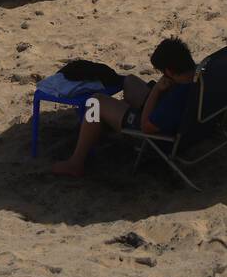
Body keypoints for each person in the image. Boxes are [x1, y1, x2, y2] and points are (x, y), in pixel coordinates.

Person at [51, 37, 196, 178]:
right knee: (130, 81)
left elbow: (146, 126)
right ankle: (106, 124)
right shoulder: (198, 77)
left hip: (154, 132)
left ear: (169, 72)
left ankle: (76, 163)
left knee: (95, 102)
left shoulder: (176, 98)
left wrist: (156, 91)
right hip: (178, 118)